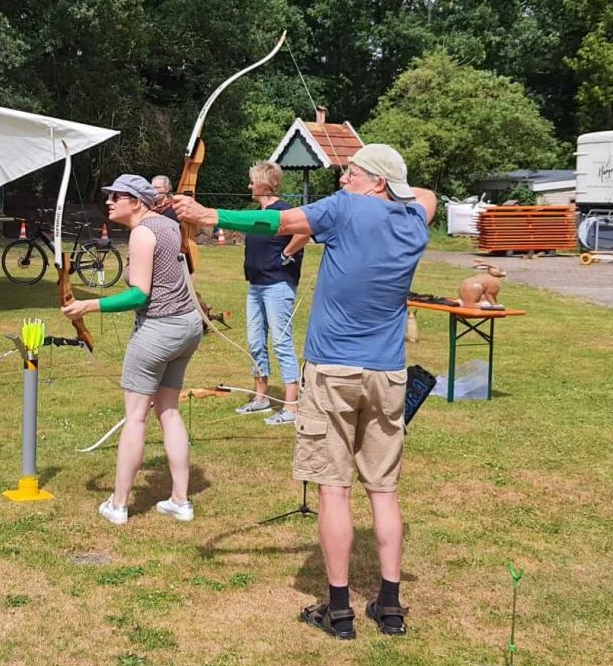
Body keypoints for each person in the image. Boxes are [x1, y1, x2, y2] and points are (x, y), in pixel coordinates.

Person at [173, 144, 436, 641]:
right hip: (388, 375)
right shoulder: (414, 221)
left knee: (333, 488)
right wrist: (389, 188)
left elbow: (277, 224)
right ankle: (391, 606)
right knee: (383, 490)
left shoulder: (344, 208)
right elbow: (427, 195)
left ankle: (339, 611)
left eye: (351, 173)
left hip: (334, 370)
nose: (342, 180)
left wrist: (209, 214)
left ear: (377, 181)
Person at [62, 174, 204, 525]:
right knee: (169, 411)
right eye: (109, 196)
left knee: (136, 416)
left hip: (160, 330)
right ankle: (180, 501)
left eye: (117, 197)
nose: (109, 202)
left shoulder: (143, 232)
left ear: (137, 202)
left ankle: (119, 504)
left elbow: (140, 293)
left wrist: (88, 307)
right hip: (187, 327)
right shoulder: (167, 224)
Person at [235, 161, 307, 426]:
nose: (249, 186)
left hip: (277, 285)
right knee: (255, 341)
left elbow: (305, 232)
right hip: (255, 286)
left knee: (281, 342)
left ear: (263, 184)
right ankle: (261, 398)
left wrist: (286, 254)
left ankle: (291, 406)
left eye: (253, 181)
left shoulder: (285, 212)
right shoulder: (259, 213)